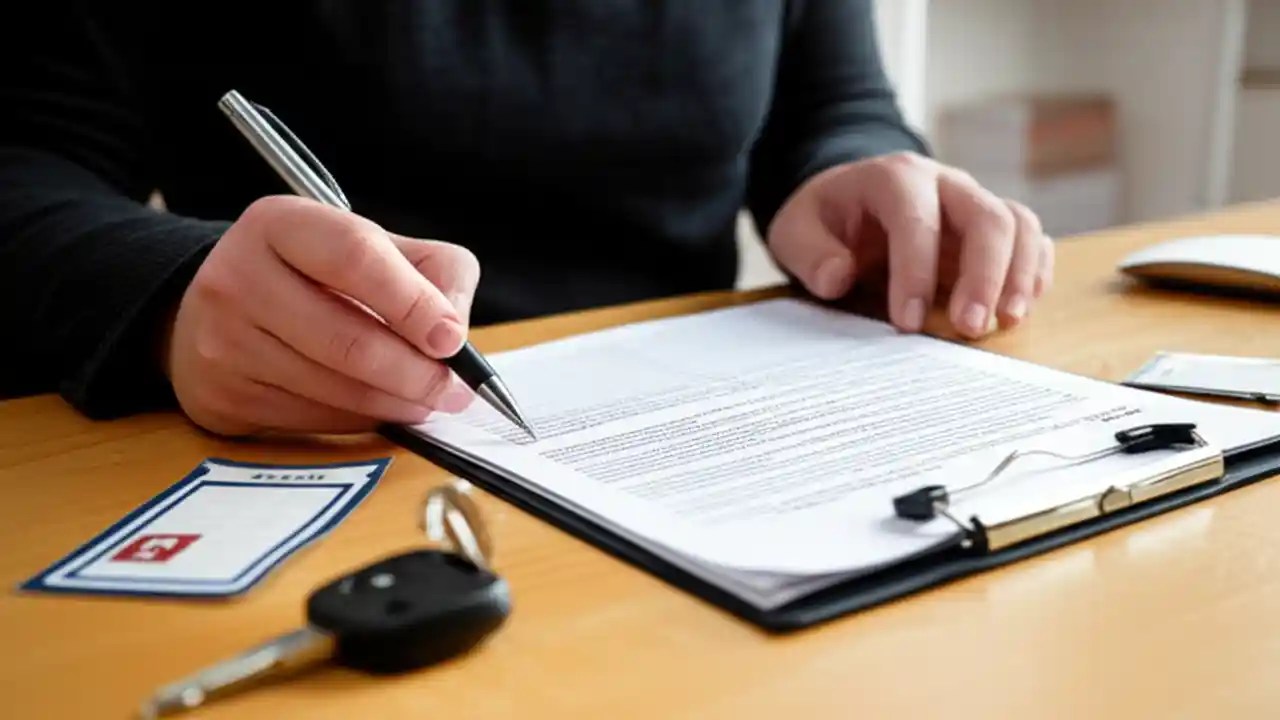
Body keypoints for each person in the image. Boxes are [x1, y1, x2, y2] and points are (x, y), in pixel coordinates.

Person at [0, 1, 1053, 437]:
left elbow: (828, 100)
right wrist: (171, 294)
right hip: (313, 434)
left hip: (696, 421)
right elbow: (27, 163)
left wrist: (852, 172)